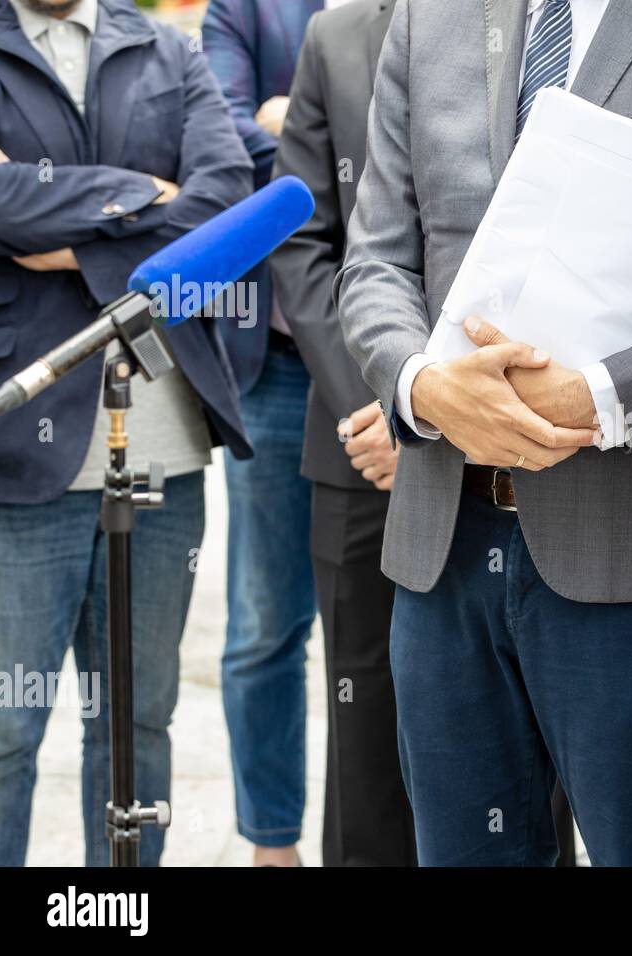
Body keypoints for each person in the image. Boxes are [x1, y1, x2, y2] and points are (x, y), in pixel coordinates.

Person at [336, 0, 632, 865]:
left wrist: (602, 395)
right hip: (444, 554)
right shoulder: (429, 20)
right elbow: (377, 259)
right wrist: (422, 385)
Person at [0, 0, 252, 866]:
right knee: (4, 730)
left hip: (165, 450)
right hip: (19, 451)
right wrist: (147, 197)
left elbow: (226, 204)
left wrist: (62, 238)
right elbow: (1, 206)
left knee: (139, 724)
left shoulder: (169, 51)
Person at [269, 0, 416, 866]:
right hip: (358, 447)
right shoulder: (335, 37)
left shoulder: (537, 26)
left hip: (515, 454)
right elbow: (302, 243)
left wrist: (440, 415)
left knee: (522, 726)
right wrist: (384, 403)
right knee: (364, 723)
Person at [200, 0, 326, 868]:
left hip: (413, 368)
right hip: (277, 367)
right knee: (263, 628)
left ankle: (392, 838)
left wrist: (290, 116)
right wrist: (333, 128)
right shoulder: (239, 9)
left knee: (416, 627)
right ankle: (271, 848)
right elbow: (222, 141)